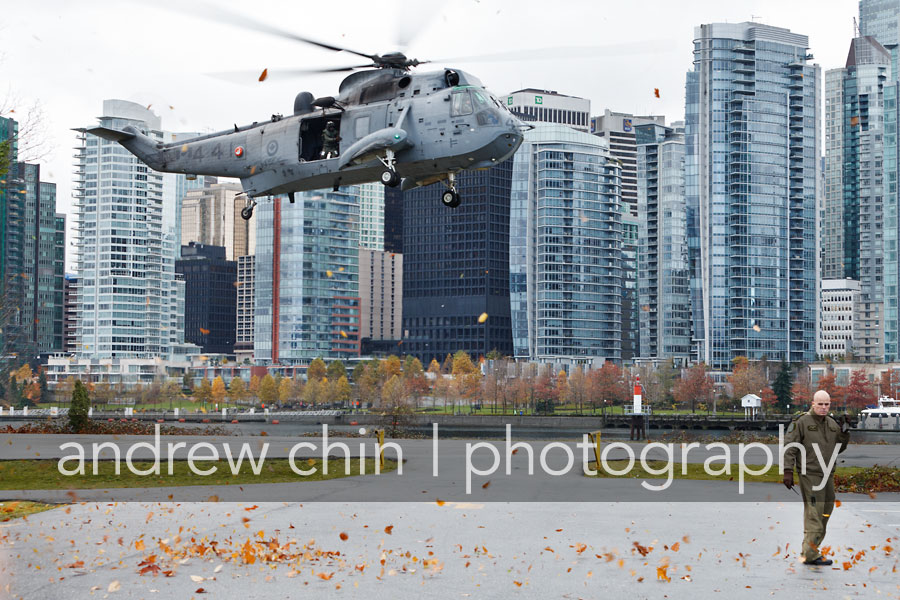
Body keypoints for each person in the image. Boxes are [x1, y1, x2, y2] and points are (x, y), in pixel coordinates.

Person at [783, 389, 851, 566]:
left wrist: (844, 432)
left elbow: (839, 447)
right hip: (810, 474)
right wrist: (788, 470)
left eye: (826, 404)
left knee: (826, 510)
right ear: (813, 403)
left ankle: (811, 549)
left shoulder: (831, 423)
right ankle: (810, 554)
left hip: (827, 474)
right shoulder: (802, 422)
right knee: (814, 512)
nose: (823, 407)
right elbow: (790, 446)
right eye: (820, 404)